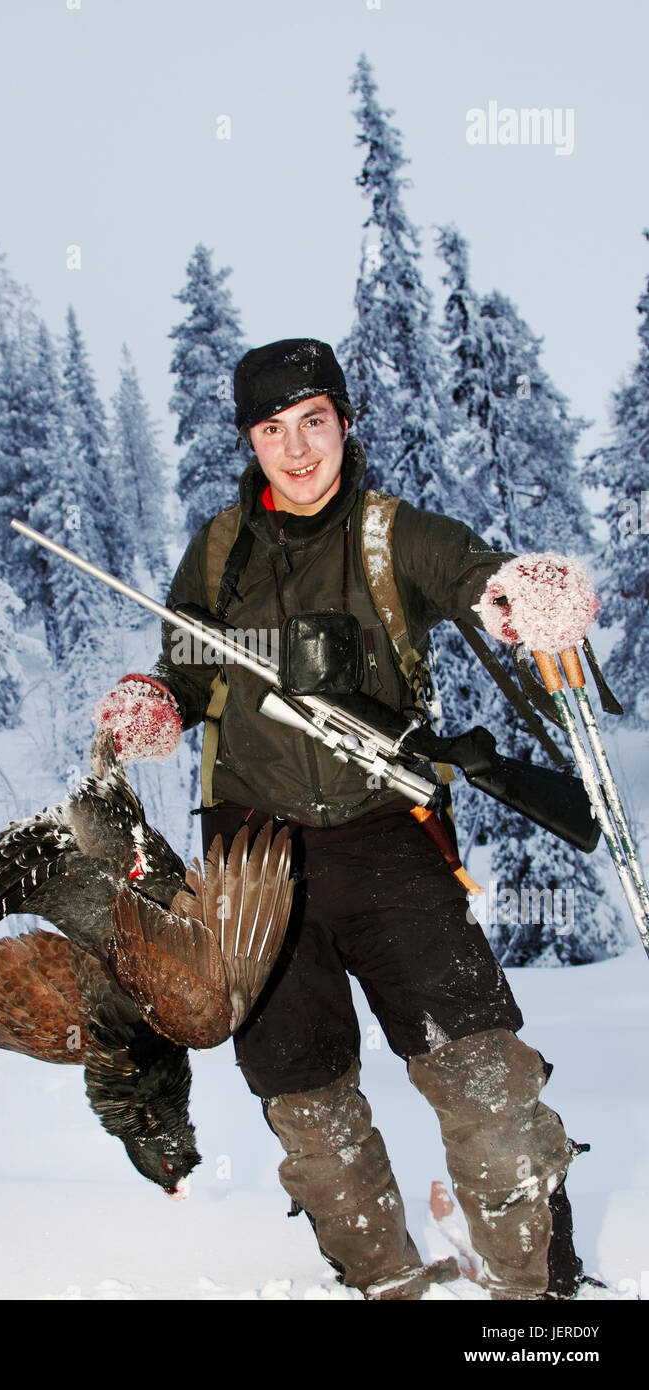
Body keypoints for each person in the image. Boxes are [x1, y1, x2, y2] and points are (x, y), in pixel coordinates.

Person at [95, 338, 595, 1300]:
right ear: (250, 439)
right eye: (272, 429)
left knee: (484, 1083)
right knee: (308, 1108)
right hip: (252, 865)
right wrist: (151, 705)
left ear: (343, 422)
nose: (295, 448)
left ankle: (534, 1298)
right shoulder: (213, 552)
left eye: (312, 422)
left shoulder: (391, 534)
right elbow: (185, 673)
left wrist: (520, 597)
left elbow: (476, 577)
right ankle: (385, 1284)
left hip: (385, 841)